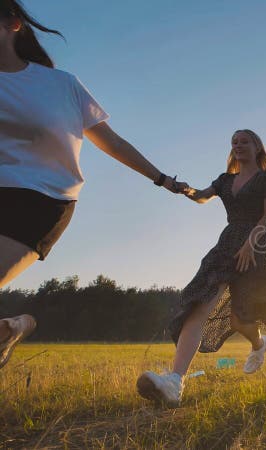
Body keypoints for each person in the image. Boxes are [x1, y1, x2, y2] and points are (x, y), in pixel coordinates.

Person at [0, 0, 182, 369]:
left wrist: (162, 179)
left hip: (43, 199)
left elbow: (111, 142)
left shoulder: (60, 84)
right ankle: (8, 329)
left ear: (13, 24)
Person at [136, 129, 266, 407]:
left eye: (244, 141)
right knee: (199, 304)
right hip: (227, 244)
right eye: (234, 142)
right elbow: (202, 195)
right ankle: (175, 382)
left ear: (257, 147)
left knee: (240, 320)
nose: (238, 145)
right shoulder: (225, 180)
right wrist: (184, 189)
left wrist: (250, 244)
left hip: (254, 247)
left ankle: (258, 344)